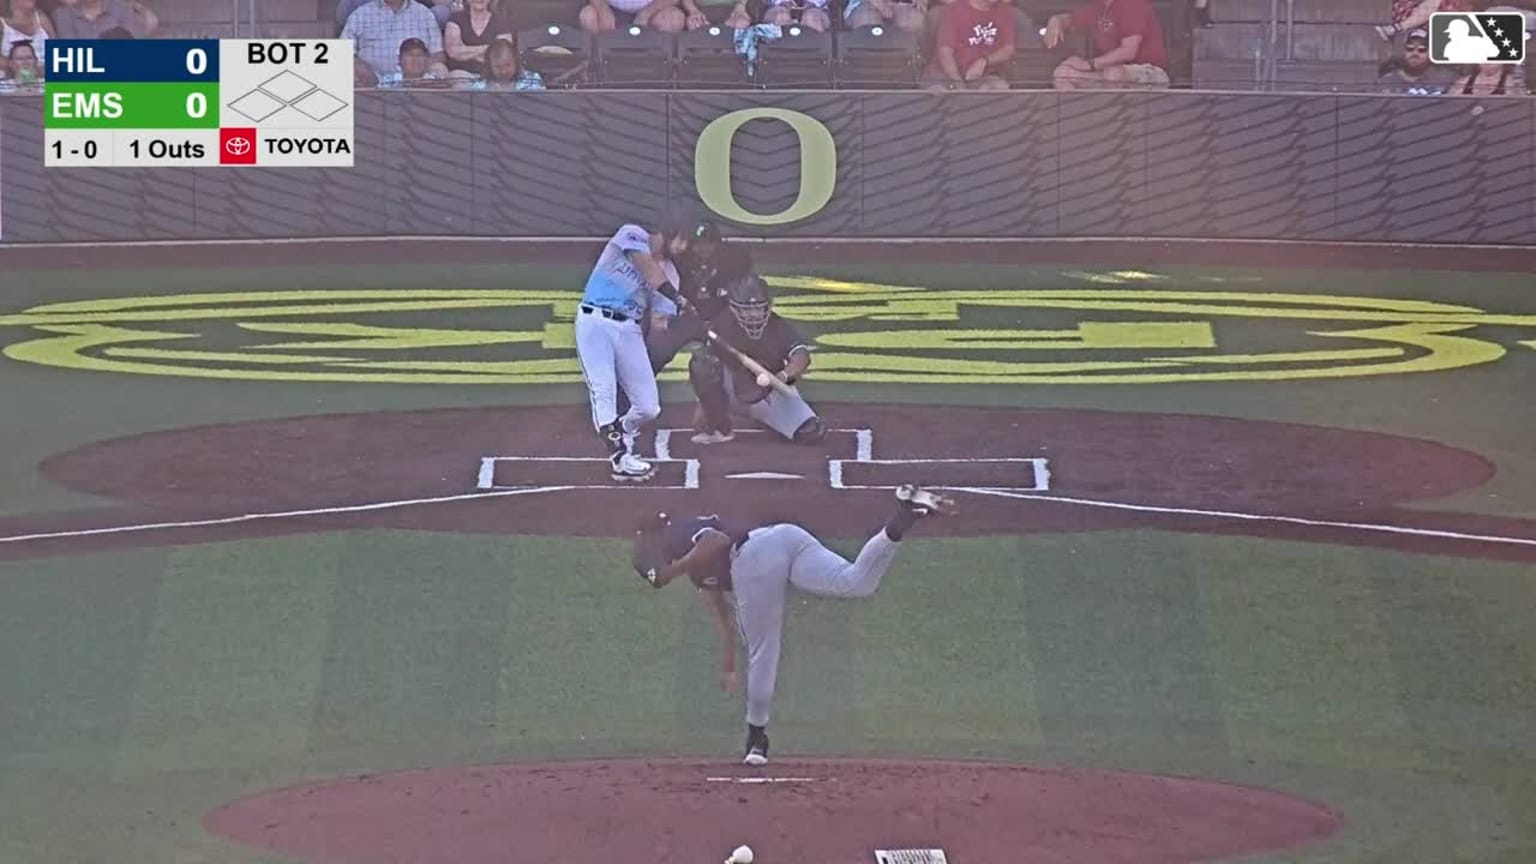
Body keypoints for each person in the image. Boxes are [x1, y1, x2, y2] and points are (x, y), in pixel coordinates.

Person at [630, 484, 957, 765]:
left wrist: (675, 569)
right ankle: (903, 517)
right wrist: (728, 662)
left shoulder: (677, 535)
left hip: (753, 555)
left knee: (764, 649)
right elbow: (719, 609)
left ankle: (757, 739)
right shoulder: (690, 563)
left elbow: (715, 540)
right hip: (784, 538)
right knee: (855, 582)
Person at [575, 208, 696, 482]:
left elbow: (658, 323)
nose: (684, 248)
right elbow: (648, 269)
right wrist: (678, 299)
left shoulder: (671, 275)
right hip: (595, 322)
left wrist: (688, 331)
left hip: (629, 330)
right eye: (682, 240)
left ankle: (621, 428)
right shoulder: (632, 235)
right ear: (668, 233)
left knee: (648, 406)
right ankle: (619, 456)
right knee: (603, 388)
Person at [688, 272, 825, 446]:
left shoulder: (778, 326)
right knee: (703, 364)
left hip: (770, 391)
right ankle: (720, 427)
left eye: (758, 308)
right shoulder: (720, 325)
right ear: (734, 308)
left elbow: (801, 356)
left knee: (811, 431)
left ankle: (767, 418)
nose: (753, 314)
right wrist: (704, 403)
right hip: (731, 391)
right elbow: (703, 364)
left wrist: (782, 377)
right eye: (747, 309)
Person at [1378, 28, 1458, 92]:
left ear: (1431, 54)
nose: (1415, 53)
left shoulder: (1444, 80)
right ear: (1404, 51)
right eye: (1410, 48)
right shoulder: (1388, 81)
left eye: (1422, 50)